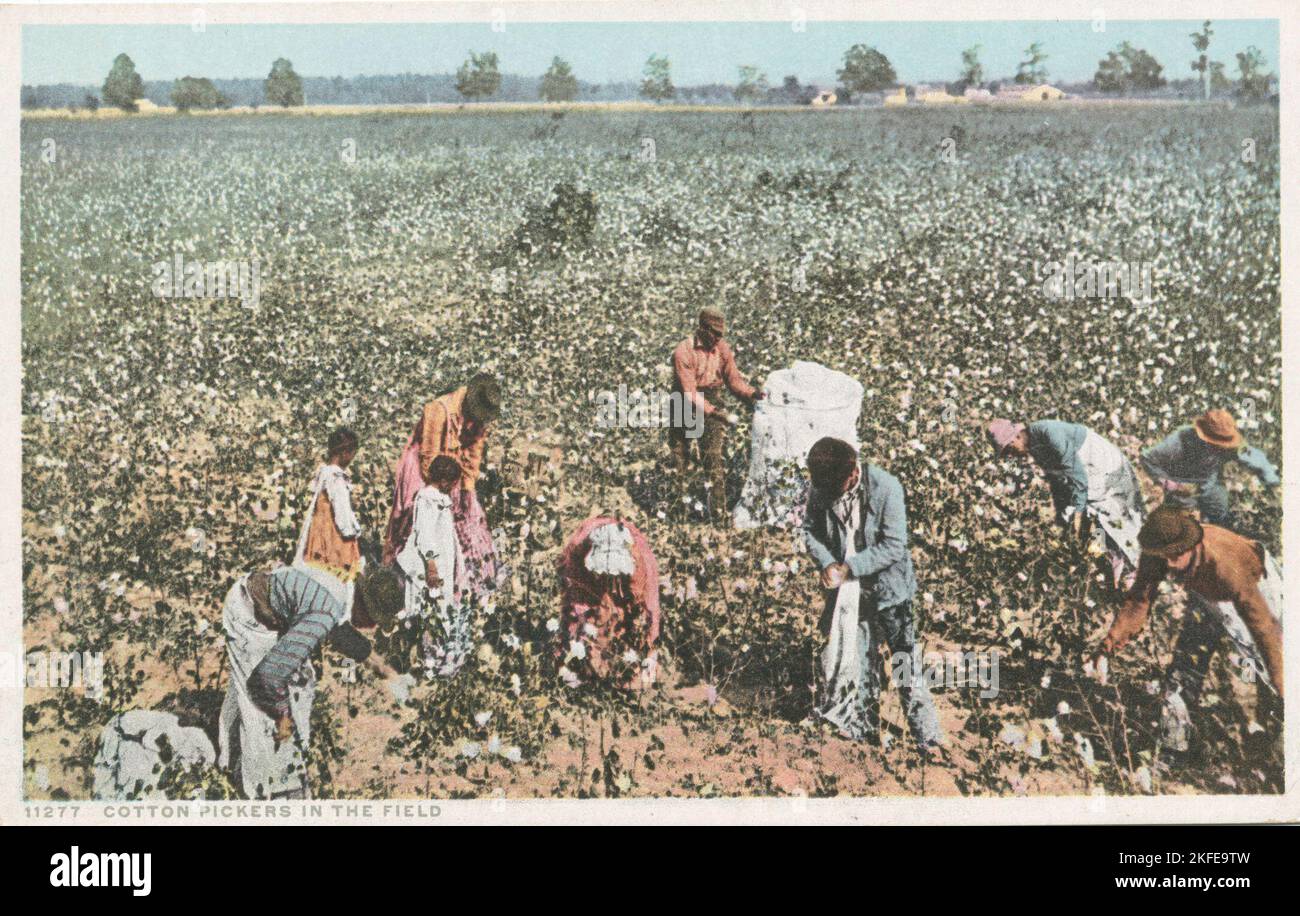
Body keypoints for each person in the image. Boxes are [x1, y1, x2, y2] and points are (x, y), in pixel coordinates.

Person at [1091, 507, 1283, 752]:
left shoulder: (1226, 563)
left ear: (1190, 545)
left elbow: (1264, 628)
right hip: (1206, 595)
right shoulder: (1160, 550)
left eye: (1176, 556)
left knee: (1271, 663)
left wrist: (1281, 686)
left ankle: (1275, 736)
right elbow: (1138, 601)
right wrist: (1107, 647)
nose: (1169, 563)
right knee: (1185, 665)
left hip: (1261, 591)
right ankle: (1174, 747)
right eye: (1165, 556)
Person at [801, 436, 944, 754]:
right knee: (861, 660)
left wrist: (849, 567)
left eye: (838, 486)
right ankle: (863, 729)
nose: (831, 493)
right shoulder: (823, 484)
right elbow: (809, 530)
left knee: (905, 660)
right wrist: (825, 562)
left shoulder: (885, 487)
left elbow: (894, 546)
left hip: (891, 591)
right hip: (853, 595)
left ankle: (927, 735)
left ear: (852, 473)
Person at [217, 563, 404, 800]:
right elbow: (268, 677)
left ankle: (228, 759)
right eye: (374, 620)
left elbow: (337, 629)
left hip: (263, 600)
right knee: (259, 711)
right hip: (248, 616)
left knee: (295, 687)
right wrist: (282, 715)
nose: (372, 626)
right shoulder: (324, 613)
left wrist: (378, 664)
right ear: (367, 609)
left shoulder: (340, 587)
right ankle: (261, 793)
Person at [383, 374, 504, 598]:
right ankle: (402, 575)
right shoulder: (439, 410)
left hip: (453, 472)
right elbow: (428, 456)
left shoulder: (479, 420)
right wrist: (440, 491)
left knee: (470, 519)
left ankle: (467, 581)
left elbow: (473, 454)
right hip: (426, 469)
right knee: (415, 513)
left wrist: (466, 488)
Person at [987, 418, 1145, 589]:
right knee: (1086, 514)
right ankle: (1119, 561)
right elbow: (1058, 481)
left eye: (1010, 451)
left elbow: (1079, 477)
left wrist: (1078, 514)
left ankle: (1136, 568)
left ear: (1015, 438)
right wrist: (1063, 514)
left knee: (1106, 510)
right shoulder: (1035, 446)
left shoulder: (1049, 434)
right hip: (1088, 470)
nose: (1012, 456)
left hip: (1103, 464)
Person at [669, 307, 764, 524]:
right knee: (679, 456)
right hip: (683, 401)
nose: (719, 338)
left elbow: (734, 380)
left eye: (721, 333)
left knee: (712, 458)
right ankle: (677, 514)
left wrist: (752, 393)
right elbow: (690, 393)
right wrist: (716, 413)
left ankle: (718, 516)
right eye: (715, 332)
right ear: (702, 328)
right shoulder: (683, 351)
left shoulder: (722, 349)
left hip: (711, 396)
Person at [556, 516, 661, 688]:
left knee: (629, 623)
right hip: (589, 582)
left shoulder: (642, 565)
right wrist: (573, 642)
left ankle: (622, 666)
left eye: (615, 576)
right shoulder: (577, 554)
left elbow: (650, 608)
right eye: (605, 575)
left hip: (628, 591)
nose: (610, 583)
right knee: (592, 621)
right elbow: (574, 602)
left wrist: (650, 652)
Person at [395, 455, 471, 678]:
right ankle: (426, 661)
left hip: (441, 564)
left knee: (437, 610)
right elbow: (424, 535)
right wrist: (431, 565)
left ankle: (434, 659)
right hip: (430, 567)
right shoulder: (428, 499)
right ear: (445, 481)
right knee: (430, 611)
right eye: (454, 482)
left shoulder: (438, 498)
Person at [1141, 409, 1279, 530]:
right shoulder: (1182, 439)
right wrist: (1171, 485)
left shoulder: (1228, 444)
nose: (1219, 447)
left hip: (1208, 484)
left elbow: (1255, 458)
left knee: (1220, 511)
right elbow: (1148, 459)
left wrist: (1273, 483)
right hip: (1180, 482)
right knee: (1186, 521)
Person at [293, 427, 364, 611]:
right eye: (352, 454)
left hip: (321, 535)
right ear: (344, 453)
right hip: (335, 539)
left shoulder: (324, 473)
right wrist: (356, 531)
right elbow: (343, 517)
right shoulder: (336, 478)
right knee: (340, 585)